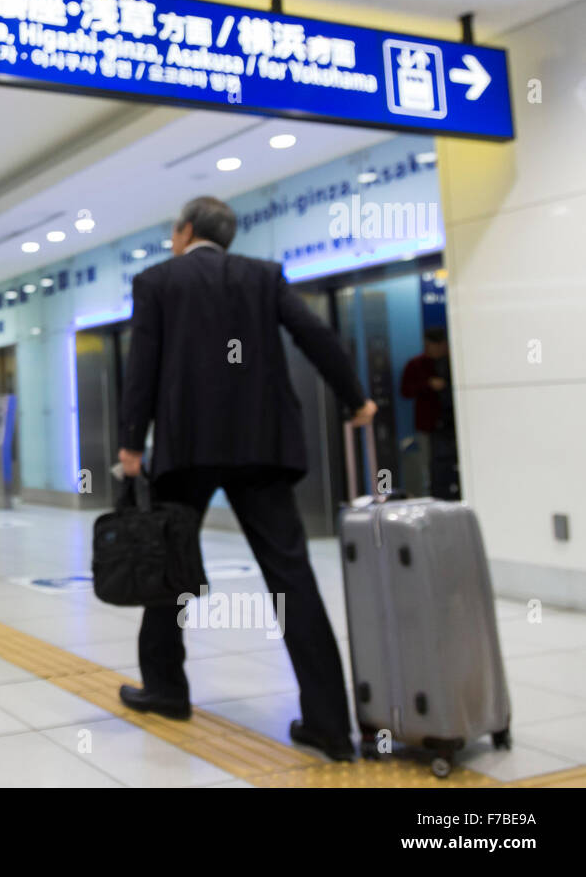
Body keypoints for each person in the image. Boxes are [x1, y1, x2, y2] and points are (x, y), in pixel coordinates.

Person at [116, 196, 377, 762]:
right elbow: (316, 335)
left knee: (169, 570)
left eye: (173, 230)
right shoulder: (265, 276)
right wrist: (356, 400)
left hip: (186, 449)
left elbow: (143, 364)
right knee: (292, 576)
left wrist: (131, 443)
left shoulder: (157, 280)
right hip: (263, 447)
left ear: (185, 231)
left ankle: (166, 689)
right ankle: (331, 724)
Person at [400, 327, 459, 500]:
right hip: (428, 425)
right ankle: (432, 498)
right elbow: (405, 391)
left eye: (435, 345)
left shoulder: (455, 363)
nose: (431, 349)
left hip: (453, 425)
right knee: (429, 465)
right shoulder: (416, 364)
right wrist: (427, 385)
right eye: (428, 345)